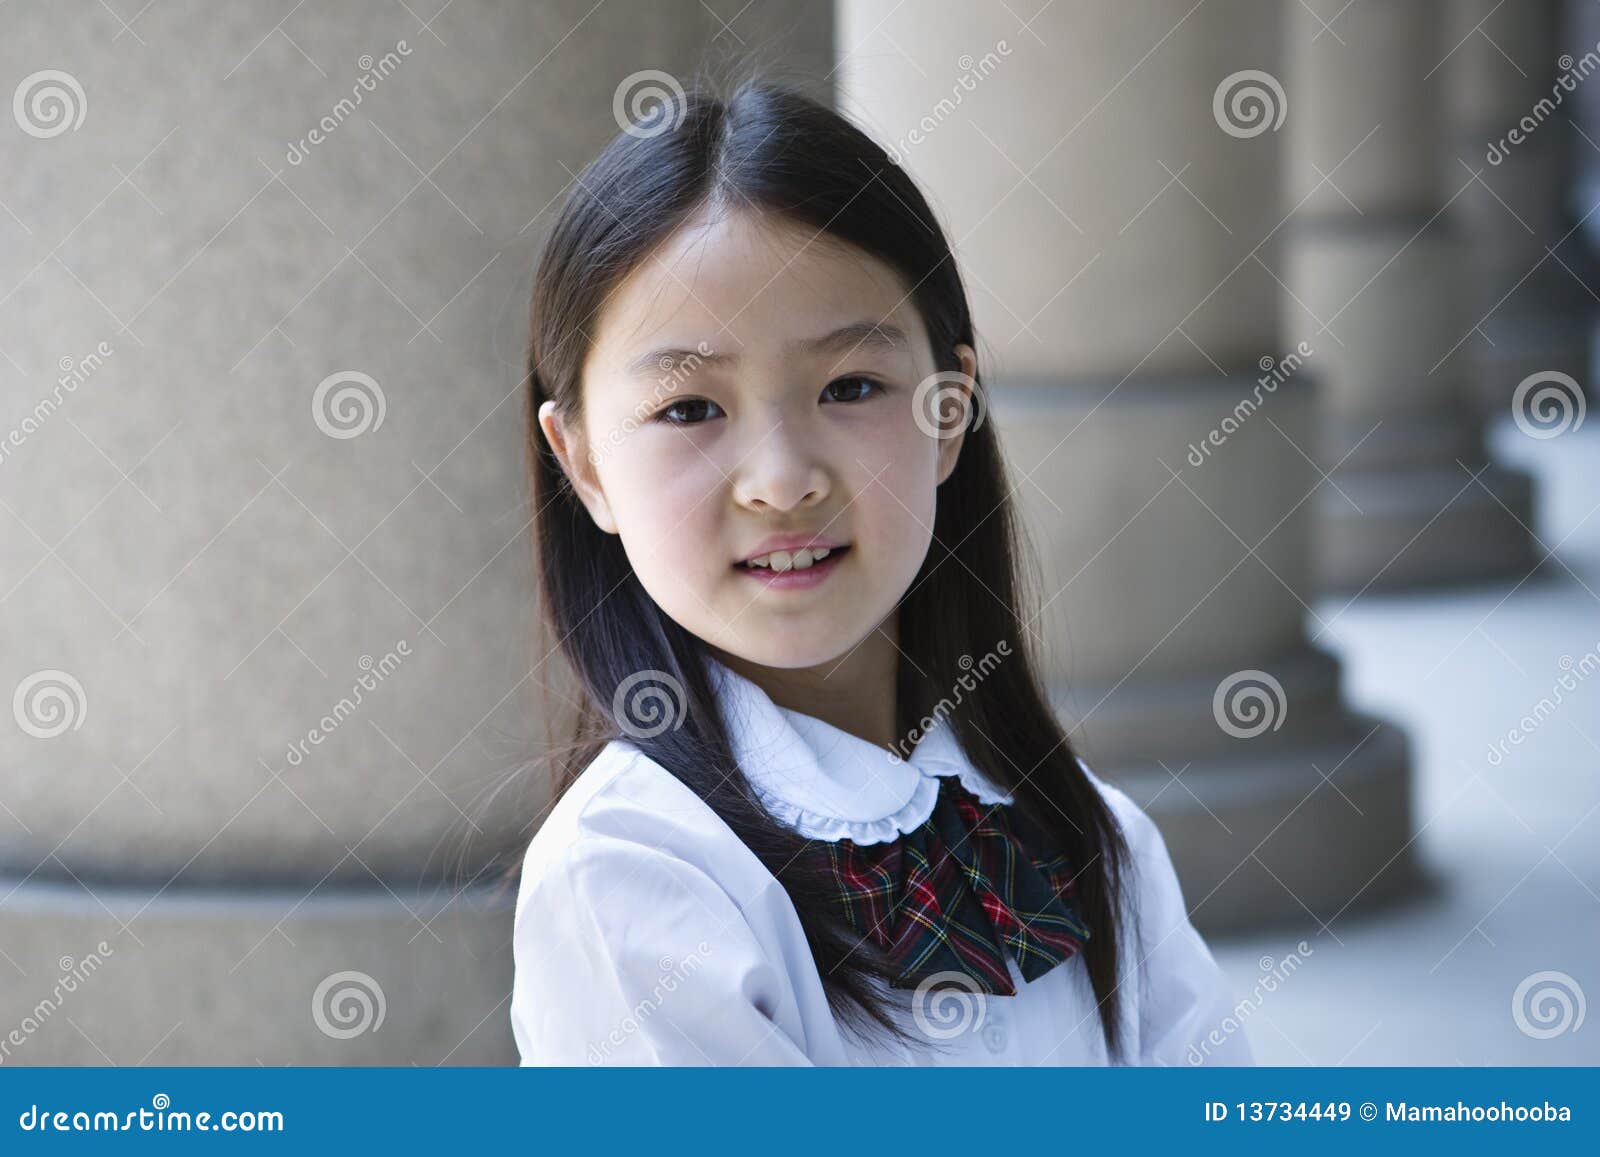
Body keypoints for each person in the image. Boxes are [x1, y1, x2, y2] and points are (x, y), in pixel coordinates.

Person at [509, 75, 1253, 1067]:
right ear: (585, 463)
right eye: (690, 409)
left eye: (849, 385)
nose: (780, 480)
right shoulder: (632, 870)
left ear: (949, 411)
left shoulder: (1089, 833)